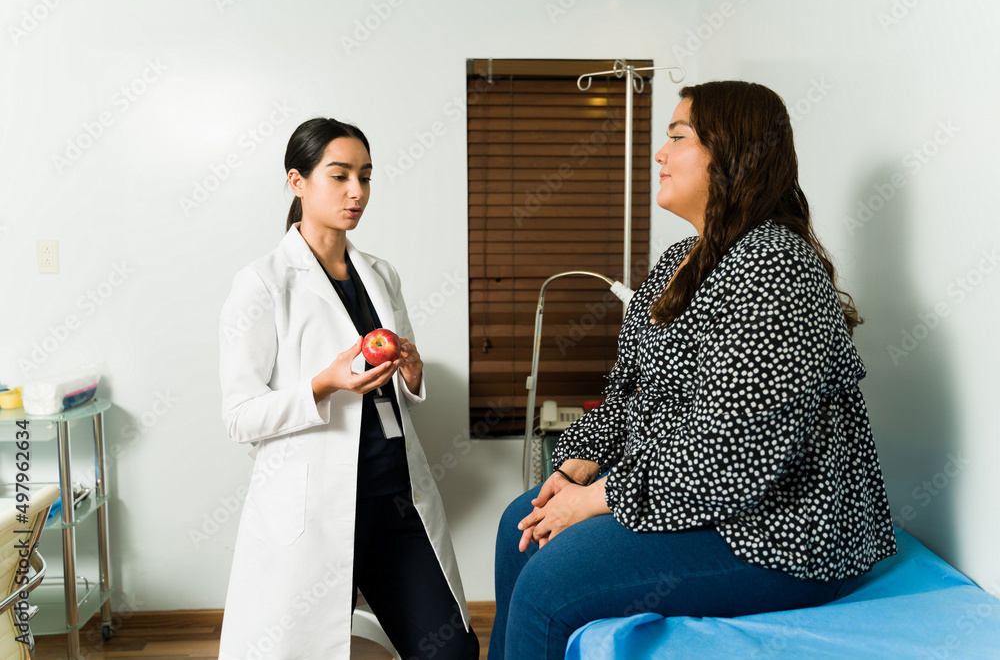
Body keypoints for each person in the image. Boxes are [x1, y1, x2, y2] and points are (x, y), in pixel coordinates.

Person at [489, 81, 898, 660]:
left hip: (777, 527)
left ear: (732, 153)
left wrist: (602, 498)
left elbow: (735, 451)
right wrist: (582, 463)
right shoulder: (677, 262)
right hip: (697, 496)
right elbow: (629, 391)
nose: (660, 153)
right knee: (518, 527)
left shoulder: (774, 267)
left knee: (550, 585)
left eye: (677, 137)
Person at [218, 118, 479, 659]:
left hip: (394, 502)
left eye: (364, 176)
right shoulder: (263, 283)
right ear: (298, 182)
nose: (356, 192)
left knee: (450, 650)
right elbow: (240, 416)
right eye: (339, 176)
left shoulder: (381, 274)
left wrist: (412, 374)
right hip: (313, 508)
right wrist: (323, 383)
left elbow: (399, 389)